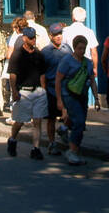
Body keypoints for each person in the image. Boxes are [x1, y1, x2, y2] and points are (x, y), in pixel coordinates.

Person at [7, 26, 47, 160]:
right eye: (31, 38)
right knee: (19, 121)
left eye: (34, 37)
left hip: (38, 91)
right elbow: (12, 74)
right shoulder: (17, 55)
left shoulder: (38, 54)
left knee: (37, 121)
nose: (33, 40)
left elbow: (42, 74)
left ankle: (36, 148)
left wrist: (44, 89)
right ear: (24, 38)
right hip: (23, 92)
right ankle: (12, 139)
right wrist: (14, 91)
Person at [56, 34, 96, 165]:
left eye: (84, 48)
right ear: (74, 48)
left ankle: (63, 129)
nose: (82, 51)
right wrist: (59, 100)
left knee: (80, 122)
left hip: (82, 96)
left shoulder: (87, 62)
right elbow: (58, 80)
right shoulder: (67, 61)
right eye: (79, 48)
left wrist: (96, 98)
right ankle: (72, 151)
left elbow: (92, 80)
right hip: (69, 95)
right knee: (78, 122)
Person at [42, 22, 70, 153]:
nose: (58, 37)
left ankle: (63, 129)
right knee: (51, 118)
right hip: (51, 88)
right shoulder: (46, 52)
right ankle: (52, 143)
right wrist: (43, 90)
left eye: (60, 34)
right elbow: (41, 74)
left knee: (69, 114)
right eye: (55, 35)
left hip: (66, 87)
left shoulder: (67, 49)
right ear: (50, 36)